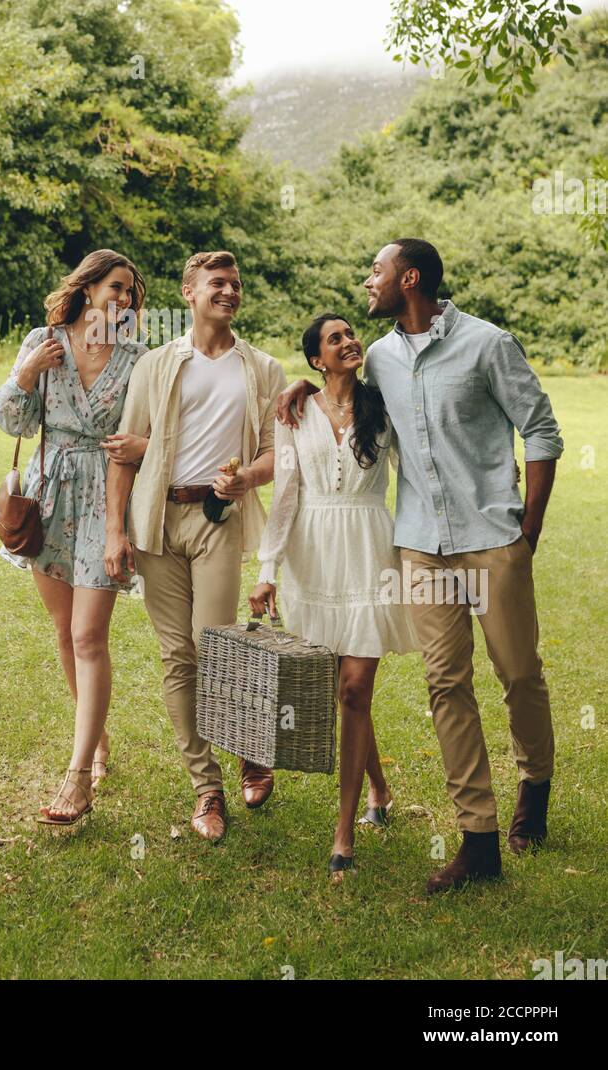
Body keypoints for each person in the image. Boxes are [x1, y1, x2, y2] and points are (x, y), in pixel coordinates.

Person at [276, 240, 562, 893]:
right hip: (420, 547)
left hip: (493, 538)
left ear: (408, 279)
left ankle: (535, 787)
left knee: (518, 675)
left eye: (374, 271)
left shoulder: (489, 345)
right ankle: (478, 841)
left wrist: (531, 527)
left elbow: (541, 432)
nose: (366, 281)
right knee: (446, 687)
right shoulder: (377, 358)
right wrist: (305, 383)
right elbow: (345, 404)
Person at [104, 251, 286, 843]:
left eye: (236, 283)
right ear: (189, 292)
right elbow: (124, 454)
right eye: (218, 283)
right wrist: (115, 531)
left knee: (219, 646)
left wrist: (244, 480)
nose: (229, 291)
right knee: (177, 655)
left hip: (218, 519)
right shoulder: (155, 365)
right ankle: (206, 787)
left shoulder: (262, 369)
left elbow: (274, 454)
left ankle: (251, 749)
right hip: (157, 520)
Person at [249, 313, 419, 879]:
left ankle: (344, 832)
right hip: (313, 555)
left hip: (370, 548)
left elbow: (415, 468)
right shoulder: (295, 411)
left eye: (352, 334)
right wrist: (268, 568)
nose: (350, 342)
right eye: (335, 339)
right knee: (340, 691)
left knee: (354, 687)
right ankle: (379, 789)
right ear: (316, 359)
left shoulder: (383, 404)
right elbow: (288, 493)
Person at [0, 250, 148, 826]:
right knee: (64, 631)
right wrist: (27, 372)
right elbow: (13, 421)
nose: (124, 300)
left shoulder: (136, 358)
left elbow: (140, 440)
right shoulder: (44, 339)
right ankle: (97, 739)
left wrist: (116, 526)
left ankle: (77, 778)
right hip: (50, 494)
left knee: (89, 635)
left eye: (130, 292)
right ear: (86, 287)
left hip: (106, 500)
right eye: (116, 287)